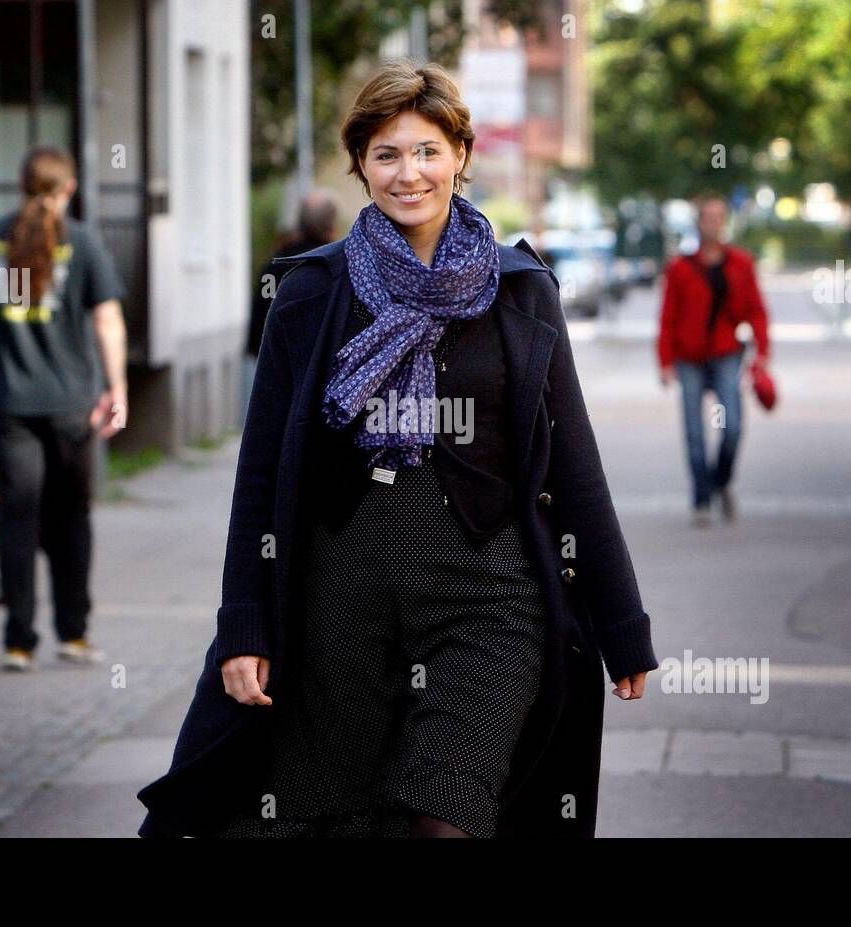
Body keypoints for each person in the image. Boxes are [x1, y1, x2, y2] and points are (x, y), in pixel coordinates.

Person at [138, 60, 659, 838]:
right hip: (341, 600)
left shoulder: (520, 290)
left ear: (459, 156)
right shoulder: (312, 292)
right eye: (385, 154)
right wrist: (245, 622)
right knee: (343, 818)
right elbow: (262, 477)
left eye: (425, 151)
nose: (407, 173)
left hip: (490, 596)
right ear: (359, 166)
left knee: (446, 814)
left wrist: (622, 626)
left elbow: (574, 461)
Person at [0, 146, 128, 672]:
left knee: (17, 518)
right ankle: (73, 634)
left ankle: (17, 641)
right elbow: (108, 321)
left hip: (8, 405)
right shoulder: (84, 242)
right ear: (68, 187)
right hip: (73, 406)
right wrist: (116, 387)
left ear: (22, 185)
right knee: (72, 517)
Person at [657, 194, 771, 526]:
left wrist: (762, 354)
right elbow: (667, 317)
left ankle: (720, 481)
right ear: (698, 222)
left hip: (726, 354)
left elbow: (757, 313)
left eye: (719, 216)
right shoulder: (680, 268)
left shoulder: (741, 264)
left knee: (732, 426)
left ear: (725, 222)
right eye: (707, 216)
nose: (713, 222)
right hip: (688, 358)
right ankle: (701, 498)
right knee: (694, 434)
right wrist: (665, 361)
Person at [242, 192, 338, 424]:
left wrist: (255, 350)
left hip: (275, 365)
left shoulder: (277, 264)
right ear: (332, 226)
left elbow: (259, 314)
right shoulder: (339, 266)